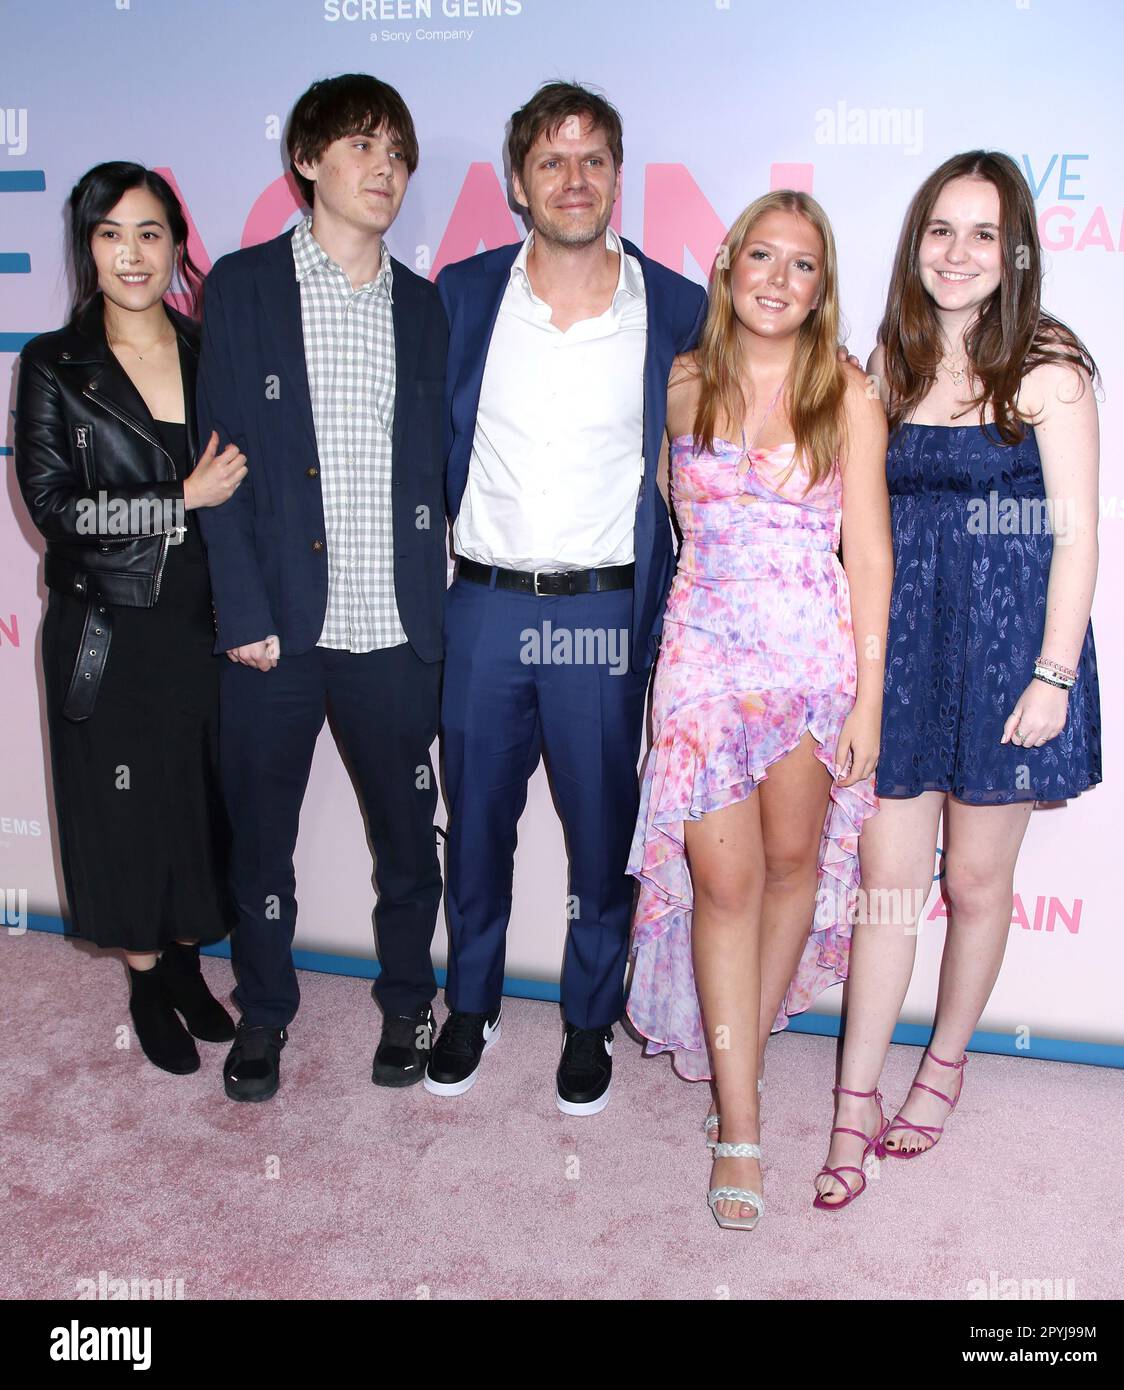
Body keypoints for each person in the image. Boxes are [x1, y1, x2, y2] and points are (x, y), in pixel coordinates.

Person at [813, 150, 1101, 1209]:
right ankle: (852, 1101)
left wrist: (1052, 673)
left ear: (1016, 249)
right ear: (915, 240)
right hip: (904, 653)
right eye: (941, 228)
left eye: (982, 233)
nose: (957, 251)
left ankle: (942, 1066)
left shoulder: (1048, 367)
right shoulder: (883, 365)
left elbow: (1076, 537)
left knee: (972, 884)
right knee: (885, 886)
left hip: (1007, 657)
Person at [426, 81, 707, 1113]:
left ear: (618, 179)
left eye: (592, 160)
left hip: (601, 612)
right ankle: (470, 1003)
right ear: (517, 182)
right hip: (486, 603)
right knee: (478, 822)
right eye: (551, 160)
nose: (573, 179)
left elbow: (751, 414)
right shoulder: (460, 294)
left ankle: (588, 1018)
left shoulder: (678, 306)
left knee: (601, 832)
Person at [626, 191, 892, 1228]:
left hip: (812, 666)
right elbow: (666, 524)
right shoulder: (683, 384)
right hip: (700, 661)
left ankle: (746, 1061)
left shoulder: (847, 393)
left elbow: (867, 556)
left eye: (804, 266)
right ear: (729, 265)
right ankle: (738, 1126)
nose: (779, 280)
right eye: (763, 257)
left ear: (822, 288)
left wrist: (866, 695)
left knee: (789, 870)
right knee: (723, 883)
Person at [196, 74, 448, 1102]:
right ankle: (263, 1015)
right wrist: (243, 613)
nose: (383, 168)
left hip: (393, 625)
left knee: (406, 841)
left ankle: (406, 1002)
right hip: (276, 632)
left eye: (396, 151)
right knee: (261, 837)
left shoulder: (426, 307)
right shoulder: (245, 286)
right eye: (360, 146)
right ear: (306, 161)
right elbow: (220, 463)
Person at [15, 162, 246, 1074]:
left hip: (202, 619)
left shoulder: (208, 349)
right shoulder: (54, 363)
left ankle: (187, 964)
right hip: (106, 630)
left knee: (194, 802)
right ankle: (148, 981)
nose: (132, 253)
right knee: (124, 810)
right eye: (111, 234)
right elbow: (54, 505)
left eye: (149, 232)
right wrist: (174, 498)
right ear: (87, 250)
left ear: (176, 246)